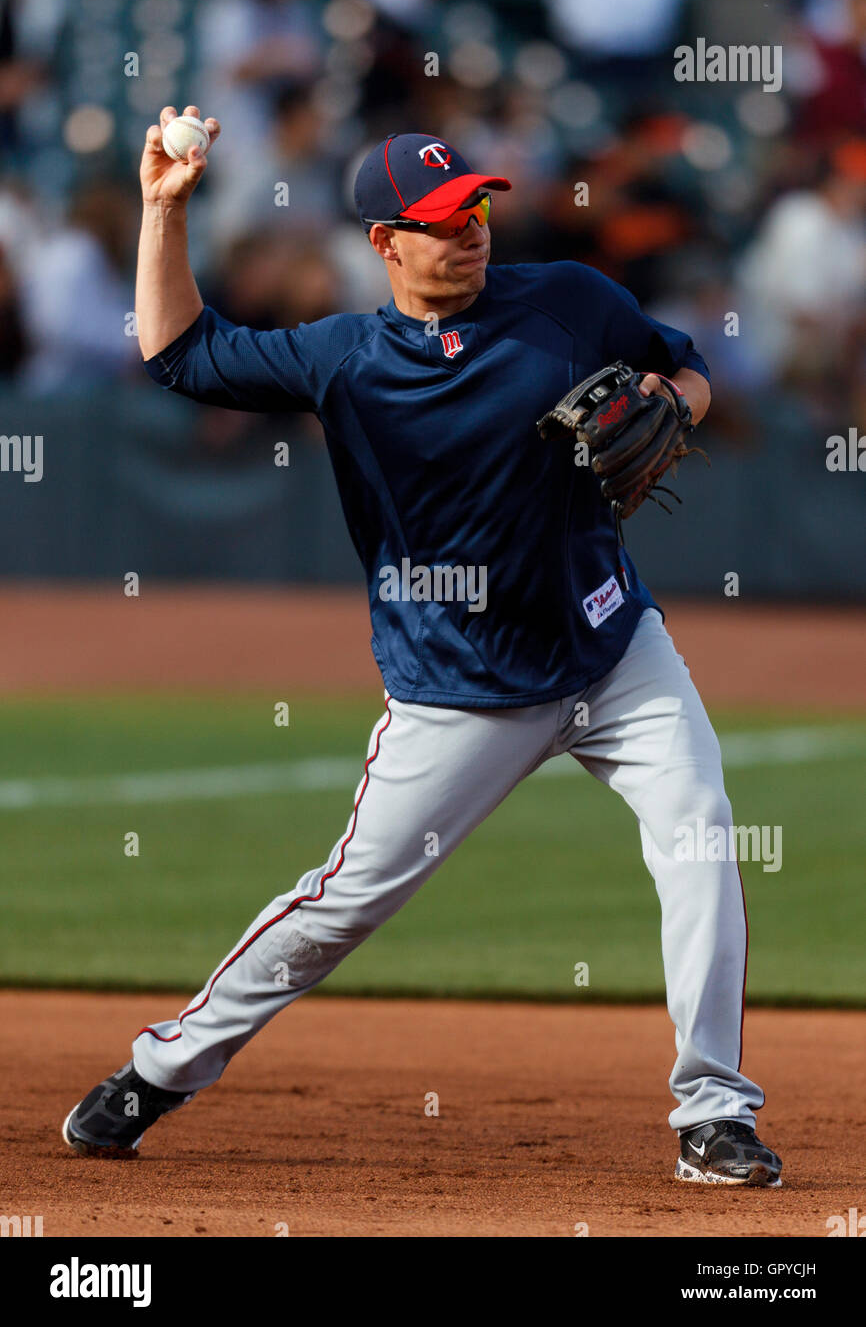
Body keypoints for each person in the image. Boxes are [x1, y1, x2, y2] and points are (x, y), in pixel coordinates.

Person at [62, 109, 782, 1189]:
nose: (469, 231)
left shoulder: (568, 302)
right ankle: (156, 1071)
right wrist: (165, 210)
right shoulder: (343, 359)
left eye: (476, 208)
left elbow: (680, 367)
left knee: (700, 835)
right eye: (440, 220)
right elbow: (176, 353)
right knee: (344, 901)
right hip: (458, 686)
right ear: (382, 243)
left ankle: (712, 1114)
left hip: (610, 647)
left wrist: (671, 406)